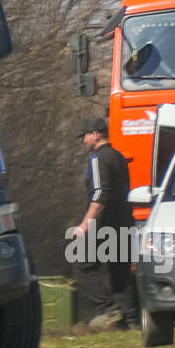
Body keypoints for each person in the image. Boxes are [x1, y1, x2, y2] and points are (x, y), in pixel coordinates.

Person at [69, 116, 138, 329]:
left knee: (81, 266)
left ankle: (109, 310)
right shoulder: (118, 156)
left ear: (96, 134)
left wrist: (85, 224)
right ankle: (131, 322)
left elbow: (100, 193)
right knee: (121, 273)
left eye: (85, 136)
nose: (84, 141)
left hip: (104, 221)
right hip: (124, 220)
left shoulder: (98, 158)